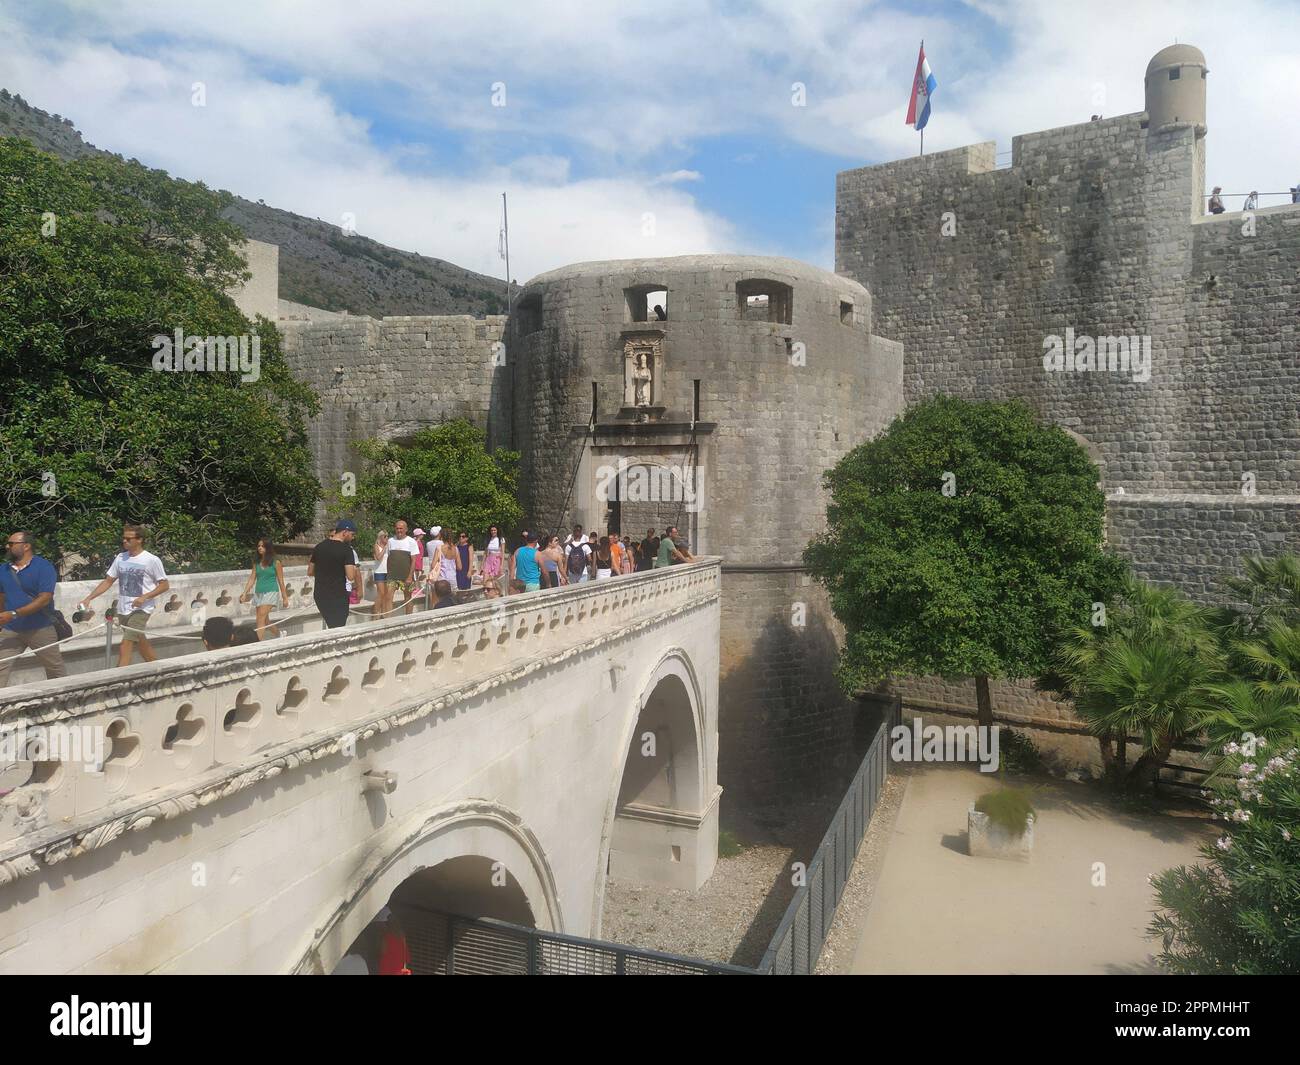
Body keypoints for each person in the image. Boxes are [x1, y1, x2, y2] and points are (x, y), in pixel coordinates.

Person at [79, 524, 170, 667]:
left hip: (141, 610)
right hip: (123, 610)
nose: (125, 541)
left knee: (125, 644)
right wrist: (89, 598)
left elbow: (164, 585)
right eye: (124, 538)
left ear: (139, 540)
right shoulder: (121, 558)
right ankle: (159, 670)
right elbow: (108, 581)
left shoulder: (151, 560)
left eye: (129, 539)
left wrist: (144, 597)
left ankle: (117, 680)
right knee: (141, 644)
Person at [0, 531, 67, 686]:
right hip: (11, 629)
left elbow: (44, 599)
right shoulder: (3, 569)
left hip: (40, 628)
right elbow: (1, 596)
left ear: (26, 546)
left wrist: (15, 614)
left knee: (55, 670)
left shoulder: (43, 567)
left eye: (11, 544)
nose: (7, 546)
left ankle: (63, 703)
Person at [308, 519, 358, 629]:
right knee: (338, 629)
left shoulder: (319, 547)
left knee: (331, 626)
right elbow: (351, 576)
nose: (353, 537)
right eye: (352, 534)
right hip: (337, 595)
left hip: (320, 595)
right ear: (345, 532)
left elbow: (310, 571)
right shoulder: (347, 550)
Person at [239, 537, 288, 640]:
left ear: (268, 547)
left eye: (262, 546)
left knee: (260, 618)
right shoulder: (256, 562)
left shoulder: (276, 562)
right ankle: (280, 634)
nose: (260, 548)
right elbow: (252, 578)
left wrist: (285, 597)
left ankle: (257, 643)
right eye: (259, 546)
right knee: (265, 620)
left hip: (271, 592)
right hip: (259, 593)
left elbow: (281, 580)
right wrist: (244, 593)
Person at [386, 520, 420, 616]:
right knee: (388, 597)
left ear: (406, 529)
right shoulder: (390, 541)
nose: (399, 530)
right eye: (397, 528)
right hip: (392, 576)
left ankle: (408, 618)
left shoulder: (411, 541)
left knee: (407, 598)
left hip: (406, 576)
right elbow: (389, 558)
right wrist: (388, 573)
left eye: (401, 528)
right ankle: (389, 619)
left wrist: (410, 576)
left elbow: (414, 560)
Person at [372, 529, 390, 619]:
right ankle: (375, 614)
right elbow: (378, 557)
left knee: (386, 594)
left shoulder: (388, 547)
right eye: (385, 536)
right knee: (381, 593)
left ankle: (384, 613)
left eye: (387, 536)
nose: (387, 538)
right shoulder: (376, 546)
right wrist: (384, 549)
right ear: (380, 537)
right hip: (379, 572)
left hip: (387, 572)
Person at [482, 525, 504, 594]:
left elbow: (502, 553)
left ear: (497, 530)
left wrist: (501, 565)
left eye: (494, 530)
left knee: (493, 580)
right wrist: (482, 564)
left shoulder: (501, 539)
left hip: (496, 560)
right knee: (485, 578)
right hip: (489, 559)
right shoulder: (489, 539)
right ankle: (486, 593)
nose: (493, 532)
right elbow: (485, 553)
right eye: (492, 530)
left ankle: (494, 594)